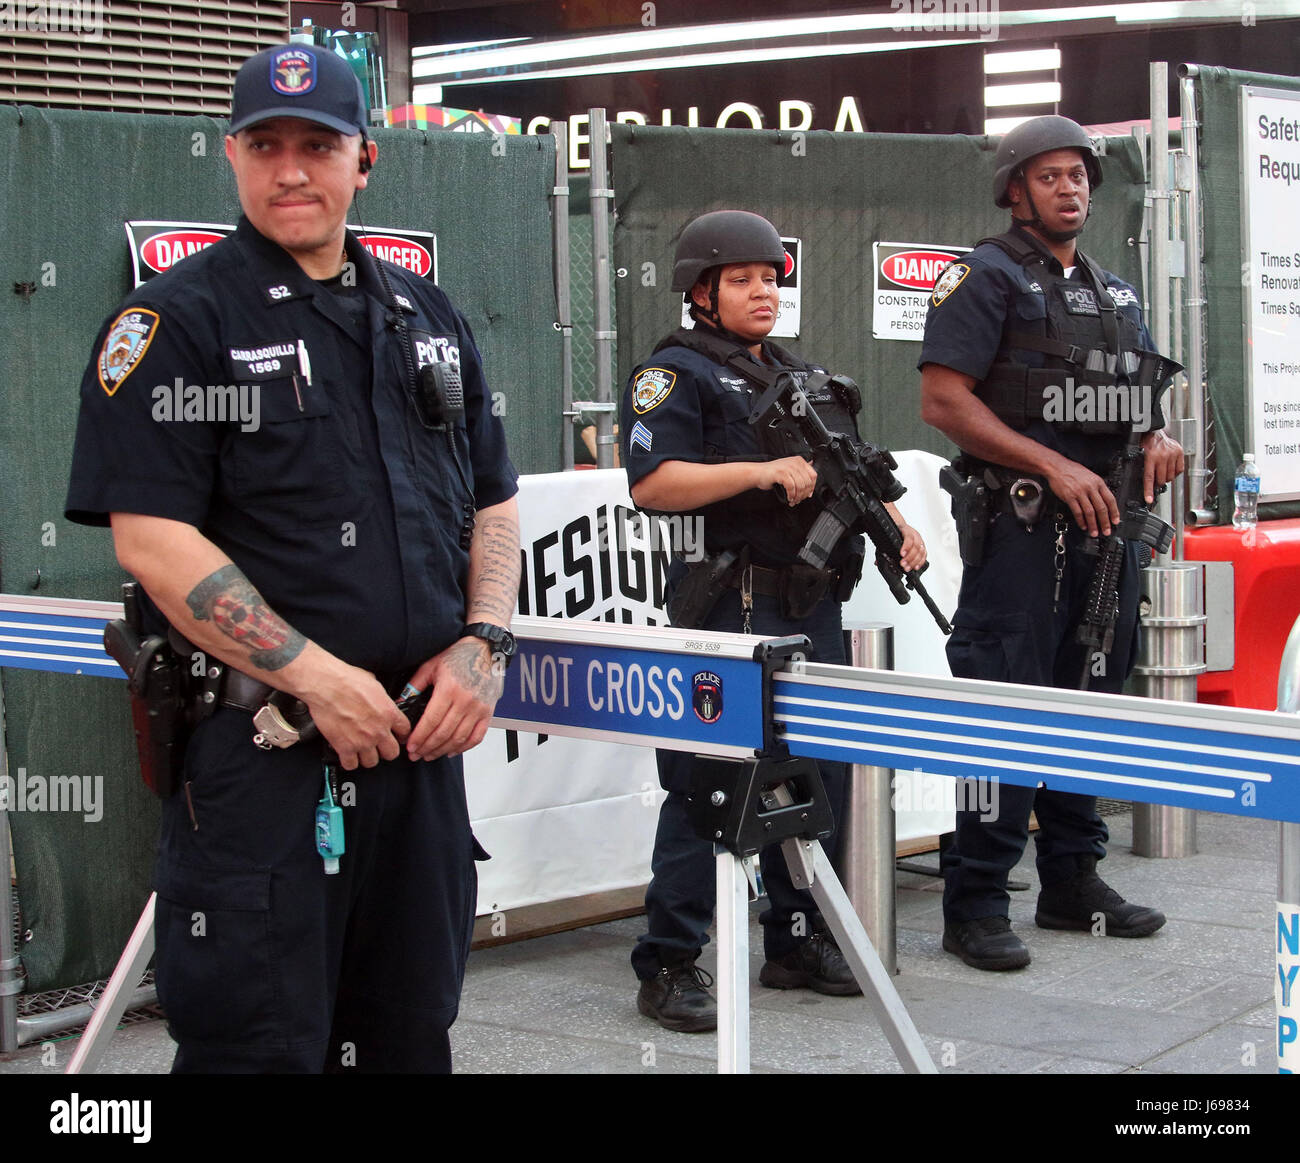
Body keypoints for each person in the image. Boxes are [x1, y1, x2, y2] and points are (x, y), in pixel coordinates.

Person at [64, 43, 520, 1071]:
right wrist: (314, 672)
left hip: (416, 760)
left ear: (365, 160)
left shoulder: (426, 317)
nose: (290, 170)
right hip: (261, 766)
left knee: (410, 1036)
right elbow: (152, 538)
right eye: (263, 144)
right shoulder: (177, 323)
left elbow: (494, 499)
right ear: (230, 156)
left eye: (317, 144)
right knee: (256, 1047)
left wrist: (484, 641)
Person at [621, 210, 926, 1030]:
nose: (763, 291)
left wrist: (895, 526)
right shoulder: (674, 374)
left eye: (771, 277)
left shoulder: (803, 376)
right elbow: (651, 484)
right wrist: (759, 472)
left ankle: (795, 940)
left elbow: (853, 474)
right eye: (743, 278)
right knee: (707, 782)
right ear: (702, 291)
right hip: (725, 603)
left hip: (809, 601)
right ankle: (671, 959)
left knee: (815, 776)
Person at [919, 115, 1185, 971]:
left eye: (1079, 175)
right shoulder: (980, 275)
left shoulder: (1116, 295)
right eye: (1050, 176)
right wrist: (1051, 464)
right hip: (1022, 530)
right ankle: (976, 900)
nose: (1070, 188)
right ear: (1015, 188)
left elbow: (1138, 401)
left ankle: (1073, 882)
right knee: (997, 713)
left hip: (1110, 535)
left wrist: (1157, 438)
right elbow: (945, 401)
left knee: (1093, 704)